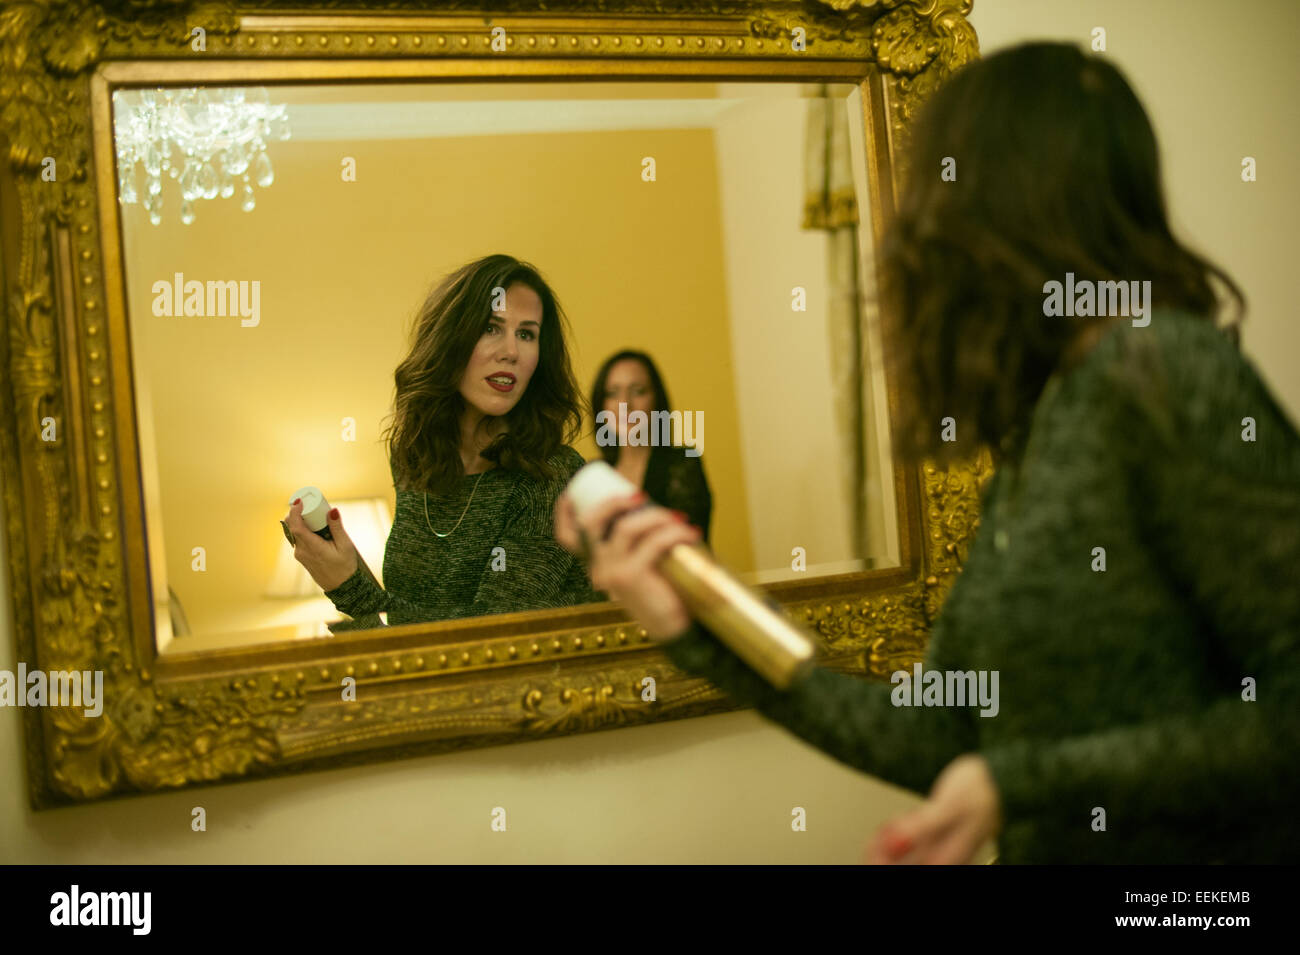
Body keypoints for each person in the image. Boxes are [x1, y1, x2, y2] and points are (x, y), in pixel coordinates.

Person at [554, 43, 1300, 864]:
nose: (914, 224)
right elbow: (940, 738)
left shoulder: (1163, 368)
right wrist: (696, 631)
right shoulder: (1040, 429)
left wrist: (1020, 784)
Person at [285, 253, 603, 626]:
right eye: (490, 327)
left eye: (526, 334)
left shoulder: (554, 476)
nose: (511, 351)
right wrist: (345, 568)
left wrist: (349, 587)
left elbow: (490, 640)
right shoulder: (413, 457)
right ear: (449, 340)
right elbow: (403, 640)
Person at [589, 350, 712, 542]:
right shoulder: (592, 474)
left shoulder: (682, 463)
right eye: (613, 393)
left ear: (656, 401)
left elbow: (689, 545)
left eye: (638, 391)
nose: (624, 404)